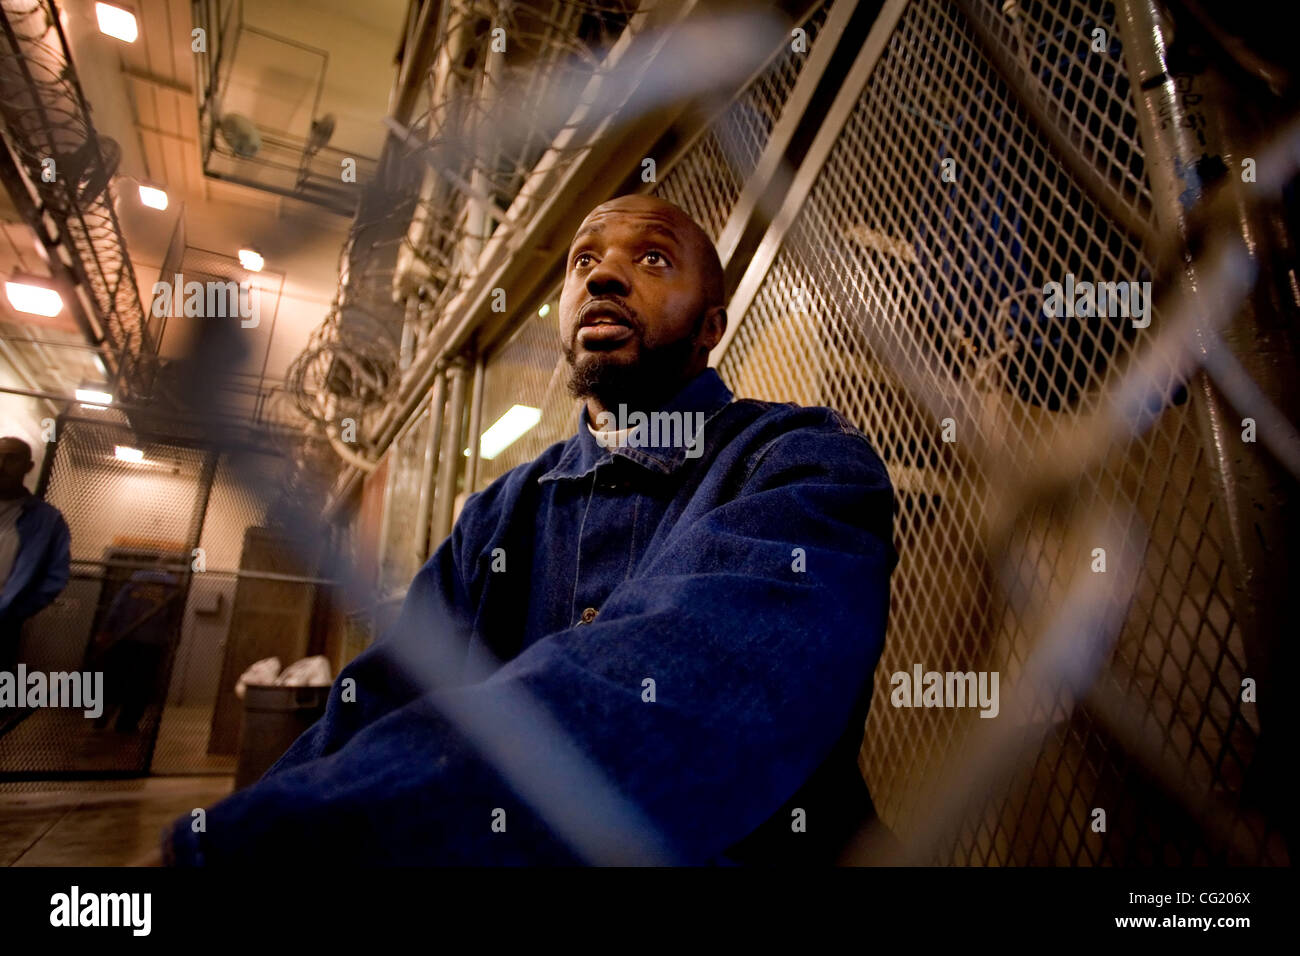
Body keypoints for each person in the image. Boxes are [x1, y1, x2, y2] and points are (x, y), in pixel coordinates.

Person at [161, 194, 898, 866]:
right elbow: (384, 697)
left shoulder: (802, 463)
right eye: (585, 260)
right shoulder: (500, 514)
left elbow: (690, 682)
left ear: (712, 324)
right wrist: (245, 825)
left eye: (651, 258)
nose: (604, 277)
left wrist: (277, 847)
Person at [0, 436, 71, 673]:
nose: (1, 465)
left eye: (11, 459)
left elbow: (54, 576)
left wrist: (14, 613)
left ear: (28, 467)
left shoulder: (46, 520)